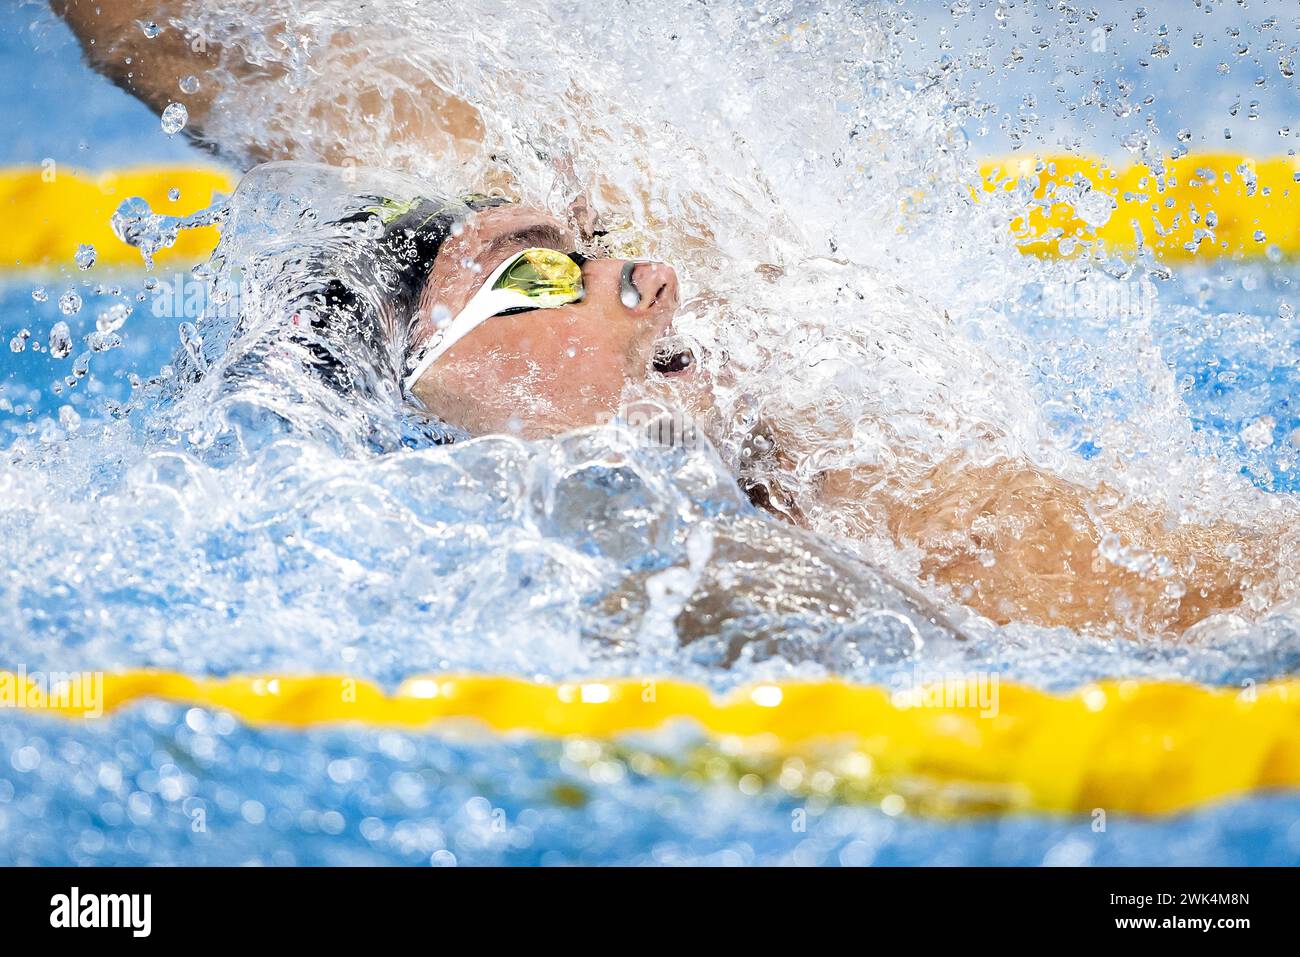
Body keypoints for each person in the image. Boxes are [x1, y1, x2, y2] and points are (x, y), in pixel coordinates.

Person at [52, 0, 1288, 640]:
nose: (647, 282)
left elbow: (188, 48)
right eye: (553, 269)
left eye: (600, 254)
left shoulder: (825, 445)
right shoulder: (731, 511)